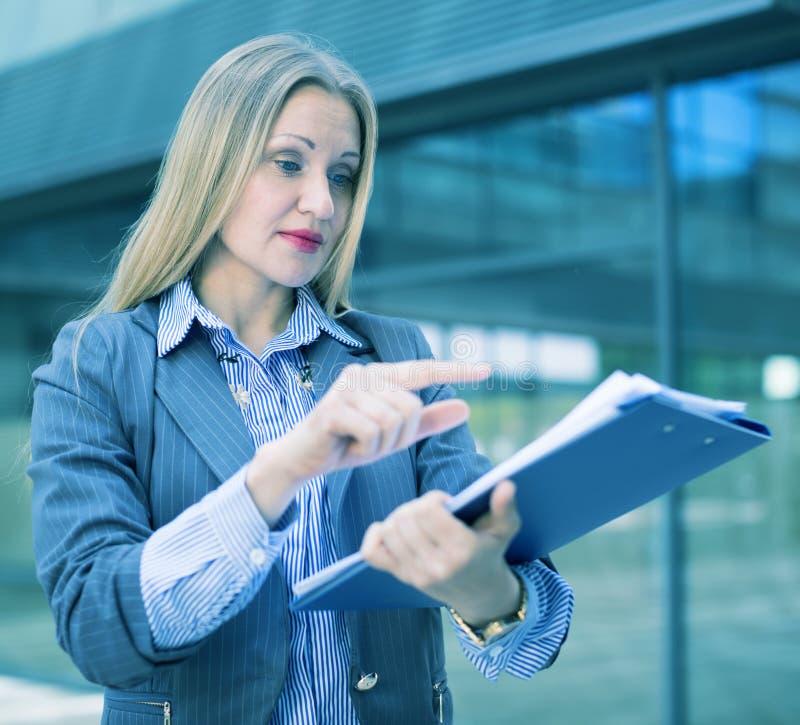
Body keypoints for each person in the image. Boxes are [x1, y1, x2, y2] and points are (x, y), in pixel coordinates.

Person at [27, 33, 573, 725]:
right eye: (289, 163)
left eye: (341, 175)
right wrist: (281, 472)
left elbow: (533, 639)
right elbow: (95, 628)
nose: (322, 203)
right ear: (213, 165)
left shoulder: (394, 354)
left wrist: (484, 588)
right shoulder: (96, 362)